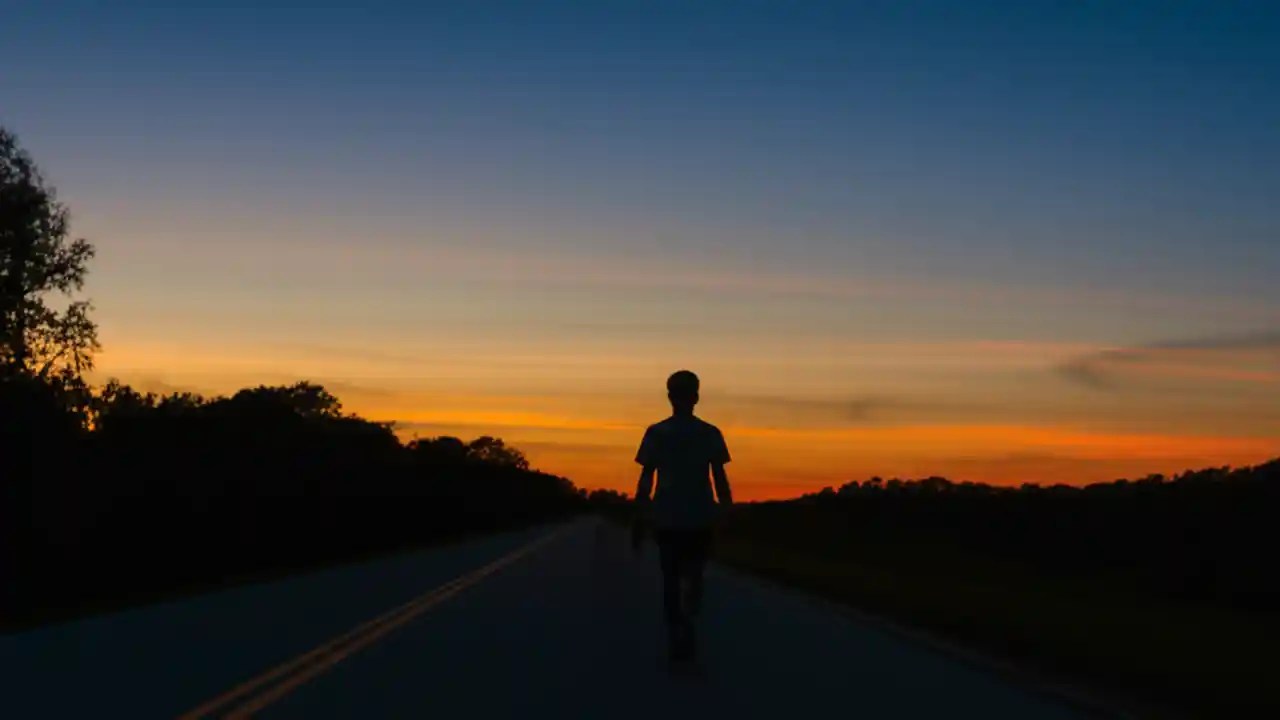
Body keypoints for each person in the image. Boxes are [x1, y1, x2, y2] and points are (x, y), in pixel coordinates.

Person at [632, 370, 733, 661]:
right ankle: (686, 621)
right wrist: (726, 508)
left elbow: (646, 479)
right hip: (699, 514)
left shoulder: (657, 433)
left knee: (671, 576)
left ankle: (678, 627)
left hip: (667, 515)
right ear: (696, 396)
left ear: (669, 397)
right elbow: (720, 476)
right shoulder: (710, 433)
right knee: (694, 572)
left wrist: (640, 514)